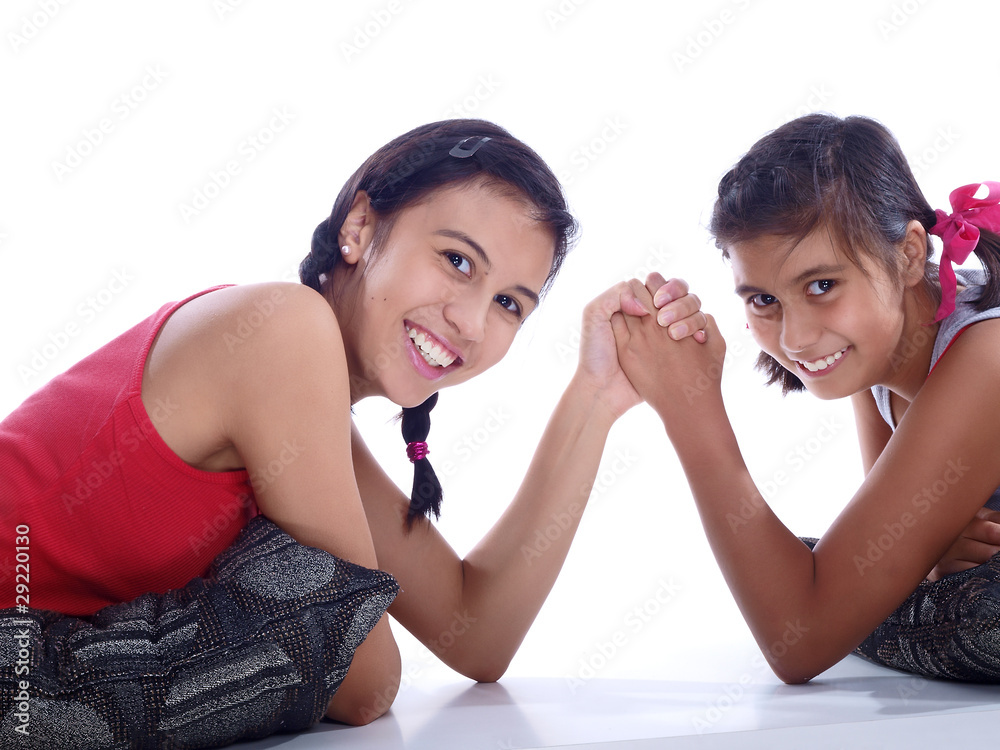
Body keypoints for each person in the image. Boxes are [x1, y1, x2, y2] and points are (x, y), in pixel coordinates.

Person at [0, 118, 707, 737]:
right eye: (457, 261)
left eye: (510, 305)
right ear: (360, 228)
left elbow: (476, 632)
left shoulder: (310, 423)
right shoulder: (282, 329)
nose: (470, 320)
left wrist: (596, 395)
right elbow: (363, 678)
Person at [612, 113, 1000, 683]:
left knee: (968, 616)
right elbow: (894, 545)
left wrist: (690, 408)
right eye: (764, 299)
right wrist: (925, 557)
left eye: (822, 285)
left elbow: (798, 643)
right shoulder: (877, 354)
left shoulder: (986, 355)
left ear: (910, 254)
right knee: (800, 571)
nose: (795, 339)